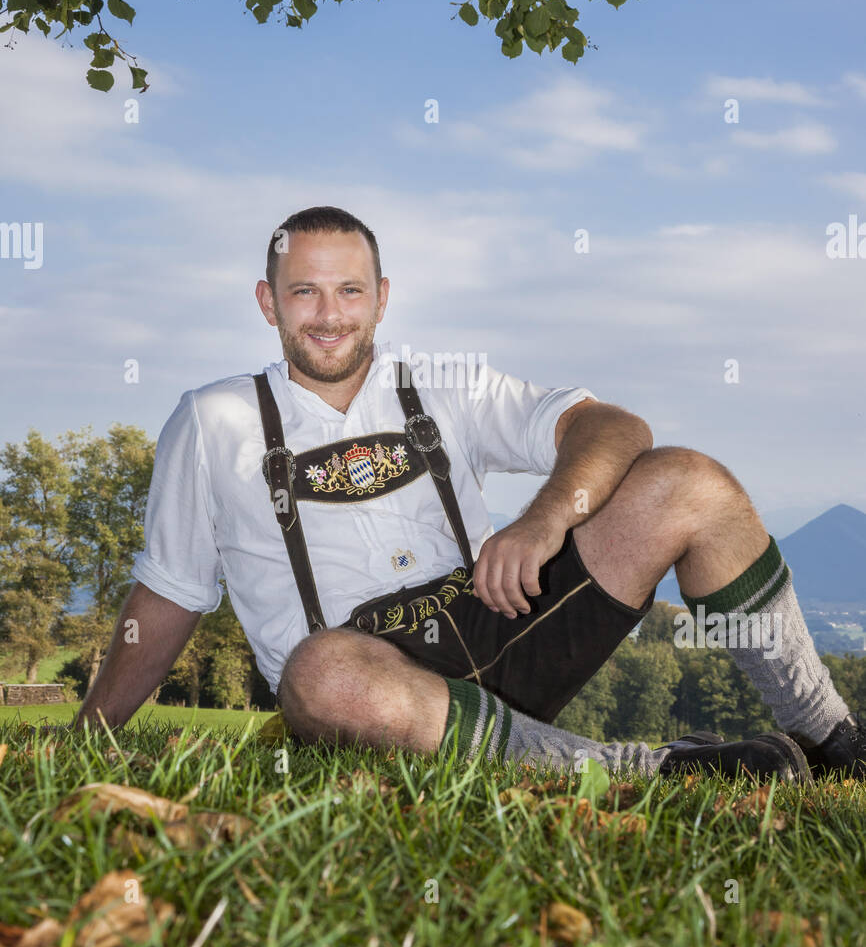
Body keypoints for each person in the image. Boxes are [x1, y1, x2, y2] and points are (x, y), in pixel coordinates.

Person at [76, 206, 865, 783]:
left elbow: (614, 427)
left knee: (689, 482)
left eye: (349, 292)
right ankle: (643, 770)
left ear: (382, 297)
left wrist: (546, 519)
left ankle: (832, 739)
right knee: (318, 670)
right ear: (267, 301)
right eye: (305, 293)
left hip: (496, 620)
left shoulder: (444, 384)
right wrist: (90, 735)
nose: (328, 316)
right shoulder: (212, 419)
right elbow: (170, 593)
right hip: (364, 687)